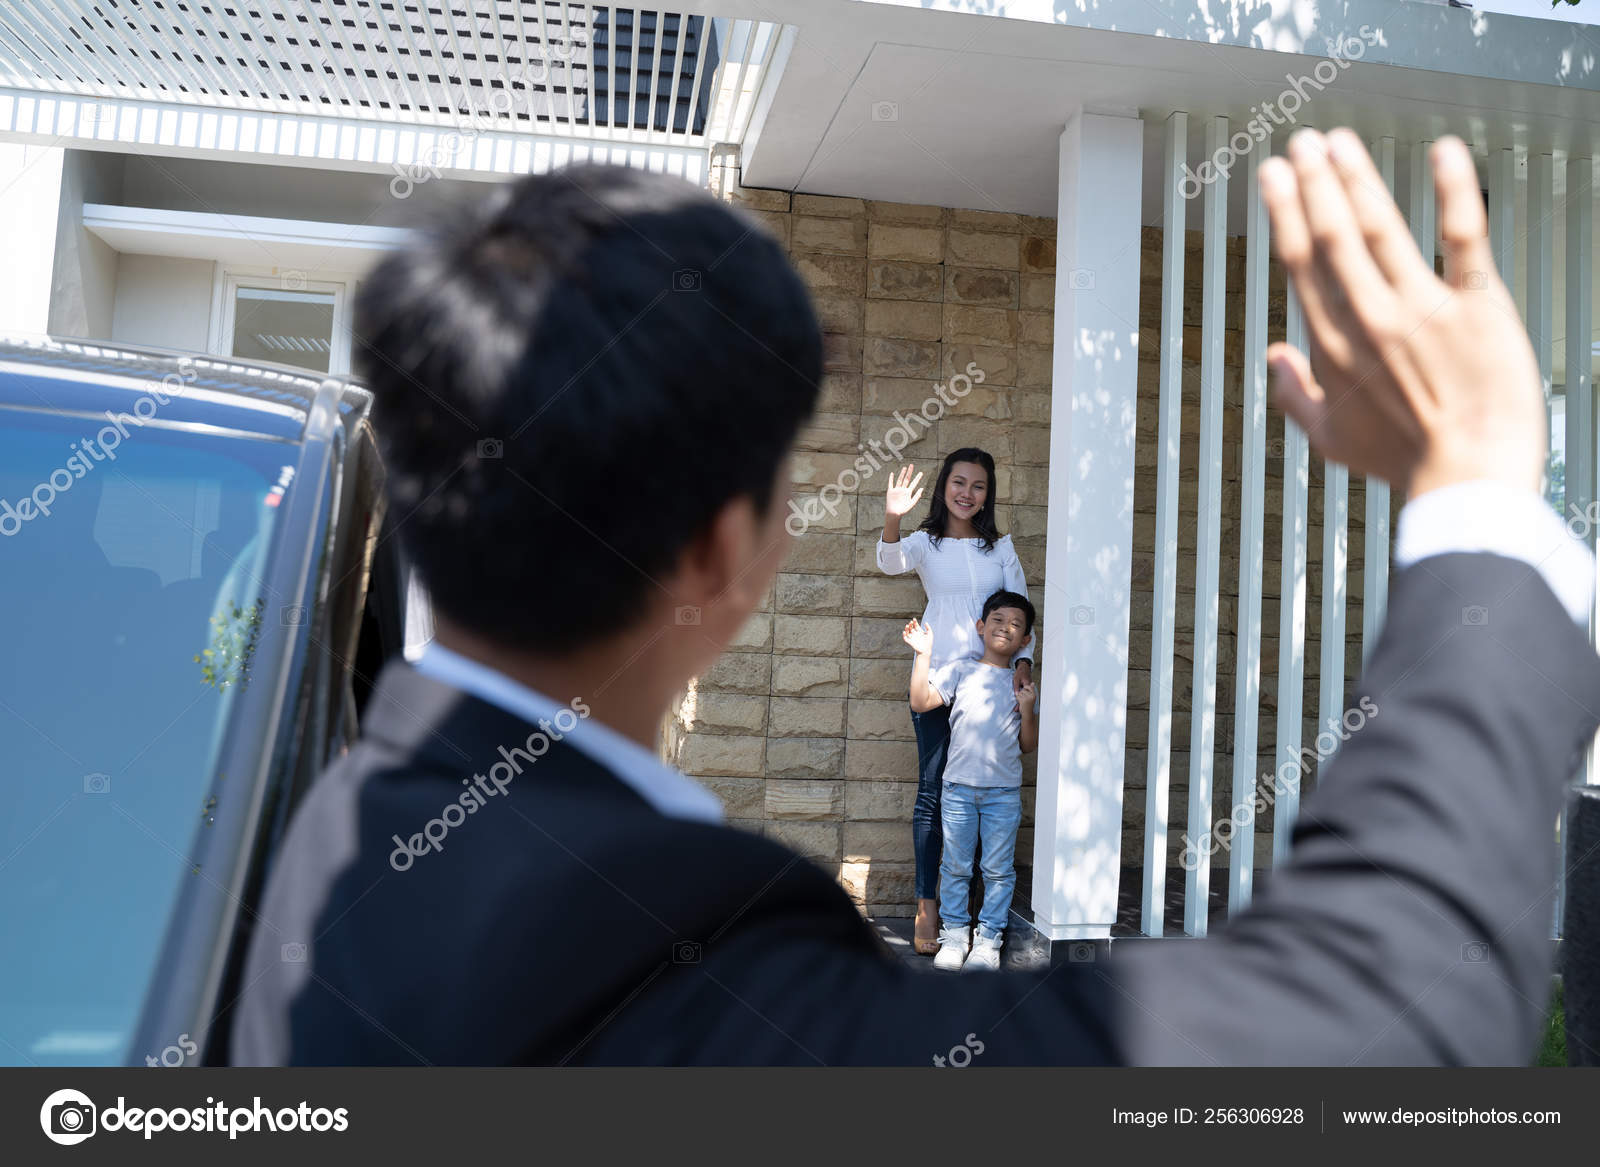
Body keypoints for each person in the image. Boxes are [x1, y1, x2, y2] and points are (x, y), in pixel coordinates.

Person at [230, 130, 1600, 1066]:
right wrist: (1473, 486)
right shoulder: (683, 982)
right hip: (935, 692)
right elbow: (1378, 1021)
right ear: (725, 553)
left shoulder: (315, 831)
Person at [878, 451, 1034, 954]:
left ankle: (979, 922)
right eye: (959, 483)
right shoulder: (926, 544)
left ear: (989, 495)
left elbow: (1024, 617)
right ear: (944, 486)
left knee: (985, 796)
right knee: (933, 793)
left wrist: (1022, 673)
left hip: (989, 688)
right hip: (938, 681)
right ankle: (931, 907)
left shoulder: (1000, 548)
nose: (968, 493)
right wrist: (894, 515)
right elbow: (888, 560)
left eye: (980, 486)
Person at [902, 591, 1039, 972]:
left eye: (1015, 625)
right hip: (958, 790)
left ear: (1025, 640)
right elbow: (920, 701)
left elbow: (1028, 745)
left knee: (997, 869)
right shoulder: (961, 670)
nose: (1005, 628)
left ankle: (988, 940)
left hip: (1003, 794)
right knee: (957, 866)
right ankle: (955, 935)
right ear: (981, 626)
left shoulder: (1022, 686)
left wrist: (1028, 710)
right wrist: (924, 654)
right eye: (997, 620)